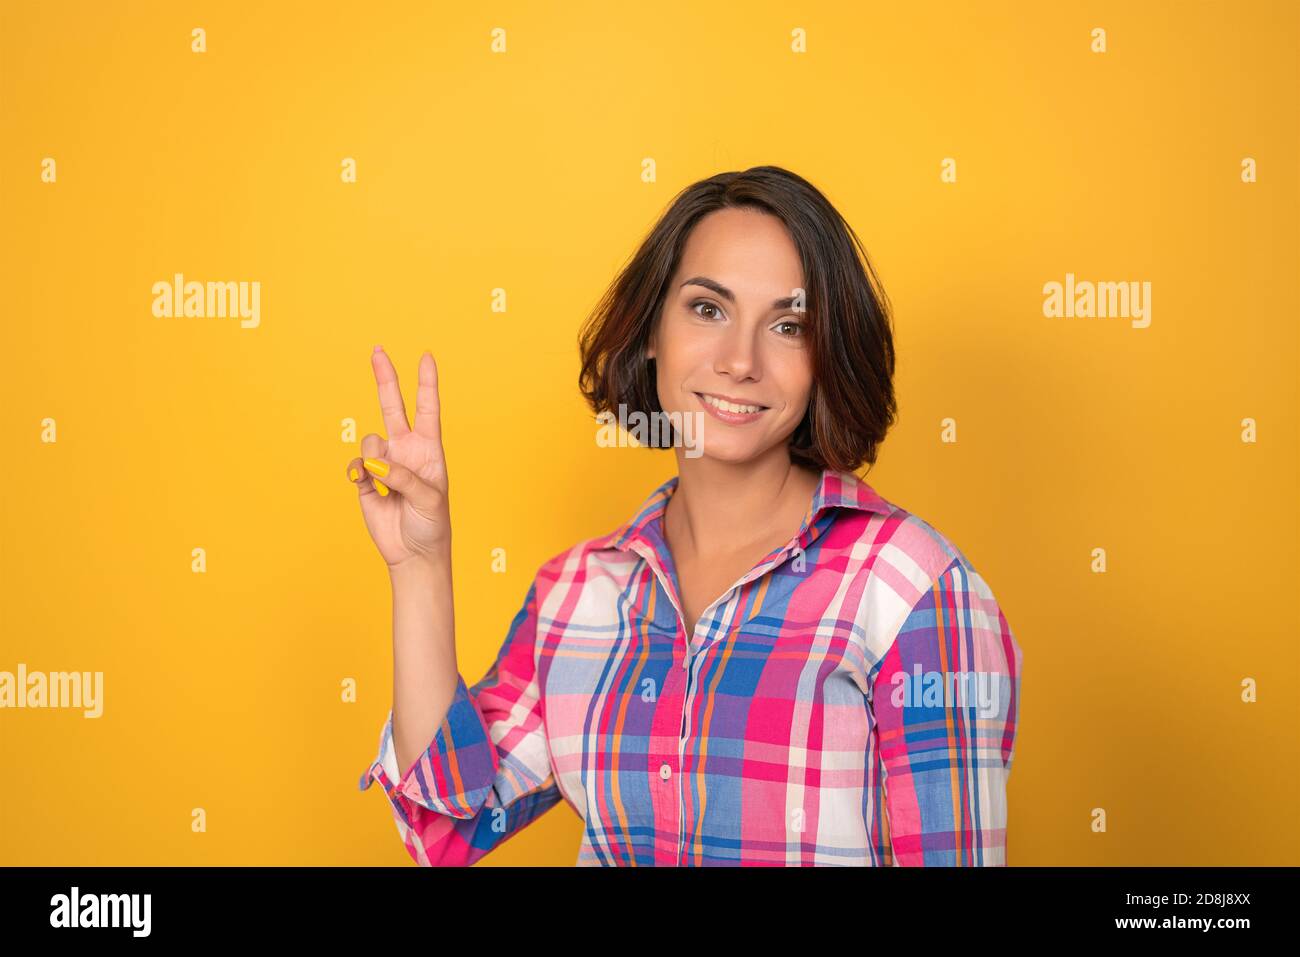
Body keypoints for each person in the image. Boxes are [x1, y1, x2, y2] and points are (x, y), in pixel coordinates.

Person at [350, 166, 1023, 866]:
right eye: (708, 309)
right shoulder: (581, 591)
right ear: (649, 332)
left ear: (824, 359)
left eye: (788, 325)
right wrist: (421, 566)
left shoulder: (915, 588)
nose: (740, 360)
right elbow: (450, 823)